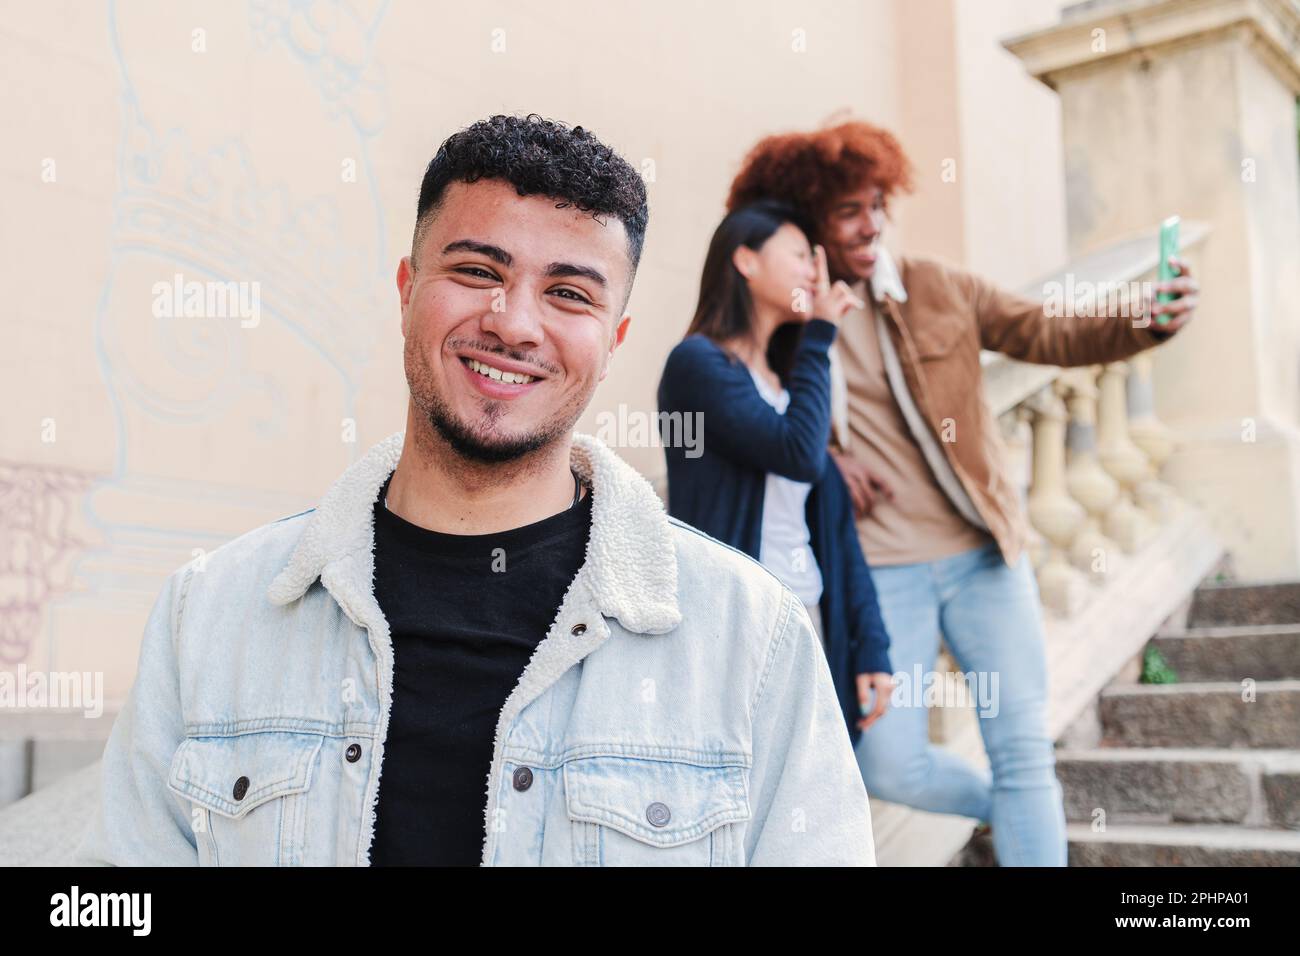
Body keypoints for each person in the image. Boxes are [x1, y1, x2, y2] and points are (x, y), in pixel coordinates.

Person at [73, 114, 877, 867]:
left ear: (614, 342)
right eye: (475, 271)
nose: (514, 322)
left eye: (569, 293)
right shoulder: (209, 616)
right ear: (405, 292)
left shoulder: (749, 639)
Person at [726, 119, 1199, 866]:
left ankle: (1023, 808)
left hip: (984, 555)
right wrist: (825, 460)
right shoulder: (785, 325)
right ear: (809, 220)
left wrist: (1144, 320)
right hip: (883, 576)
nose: (872, 223)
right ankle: (1011, 808)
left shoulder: (936, 287)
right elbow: (756, 424)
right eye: (850, 210)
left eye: (879, 203)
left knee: (1021, 750)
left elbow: (1048, 332)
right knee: (887, 763)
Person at [657, 200, 893, 748]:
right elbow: (798, 453)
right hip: (740, 624)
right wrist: (820, 336)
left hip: (807, 612)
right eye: (800, 256)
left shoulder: (788, 386)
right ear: (744, 260)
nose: (816, 271)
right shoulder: (698, 365)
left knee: (817, 805)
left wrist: (872, 646)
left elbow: (837, 536)